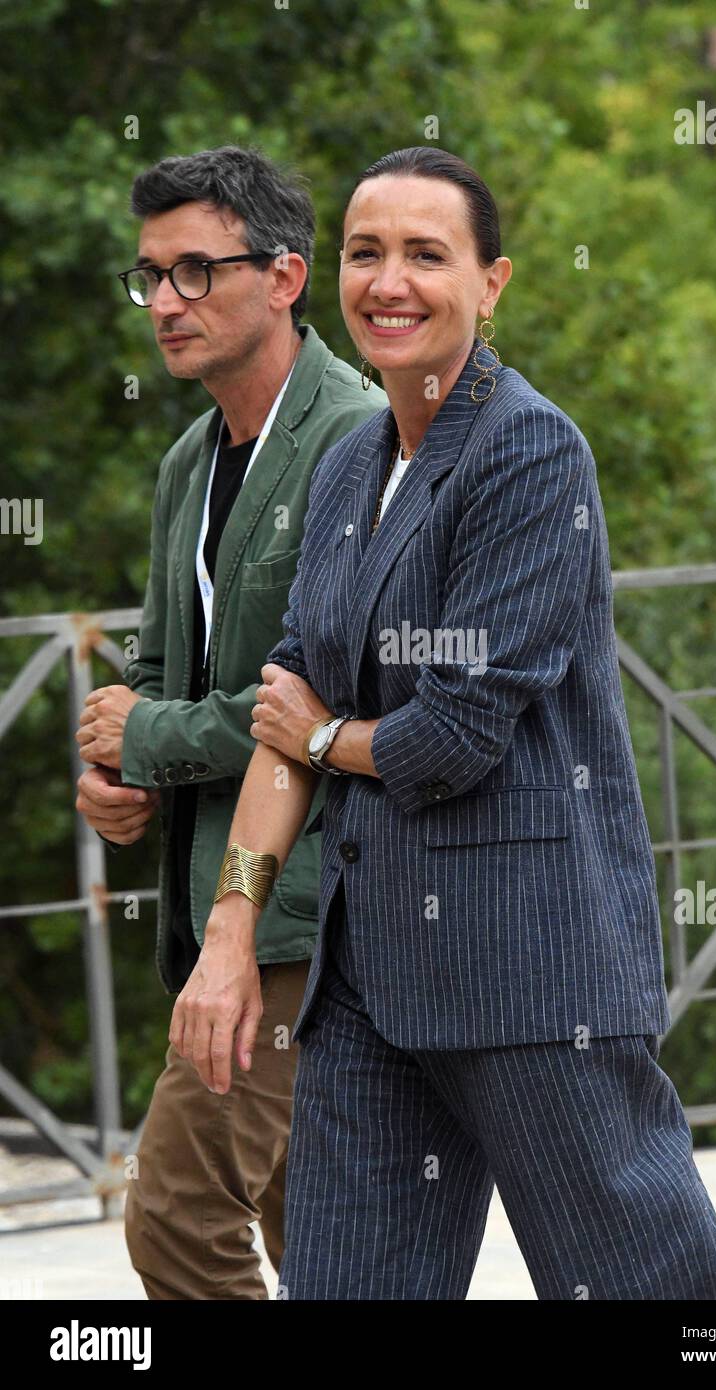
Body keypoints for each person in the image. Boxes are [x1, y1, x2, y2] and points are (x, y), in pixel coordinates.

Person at [172, 146, 716, 1301]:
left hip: (531, 978)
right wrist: (230, 936)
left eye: (424, 255)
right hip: (365, 985)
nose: (388, 281)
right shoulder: (349, 468)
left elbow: (447, 738)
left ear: (489, 283)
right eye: (364, 252)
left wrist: (317, 735)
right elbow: (281, 706)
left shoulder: (531, 452)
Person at [73, 145, 385, 1299]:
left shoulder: (358, 438)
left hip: (309, 908)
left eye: (196, 271)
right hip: (215, 906)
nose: (164, 302)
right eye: (150, 276)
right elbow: (160, 675)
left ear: (286, 275)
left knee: (175, 1220)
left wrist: (143, 734)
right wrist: (121, 781)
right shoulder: (185, 461)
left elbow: (308, 704)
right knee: (323, 1241)